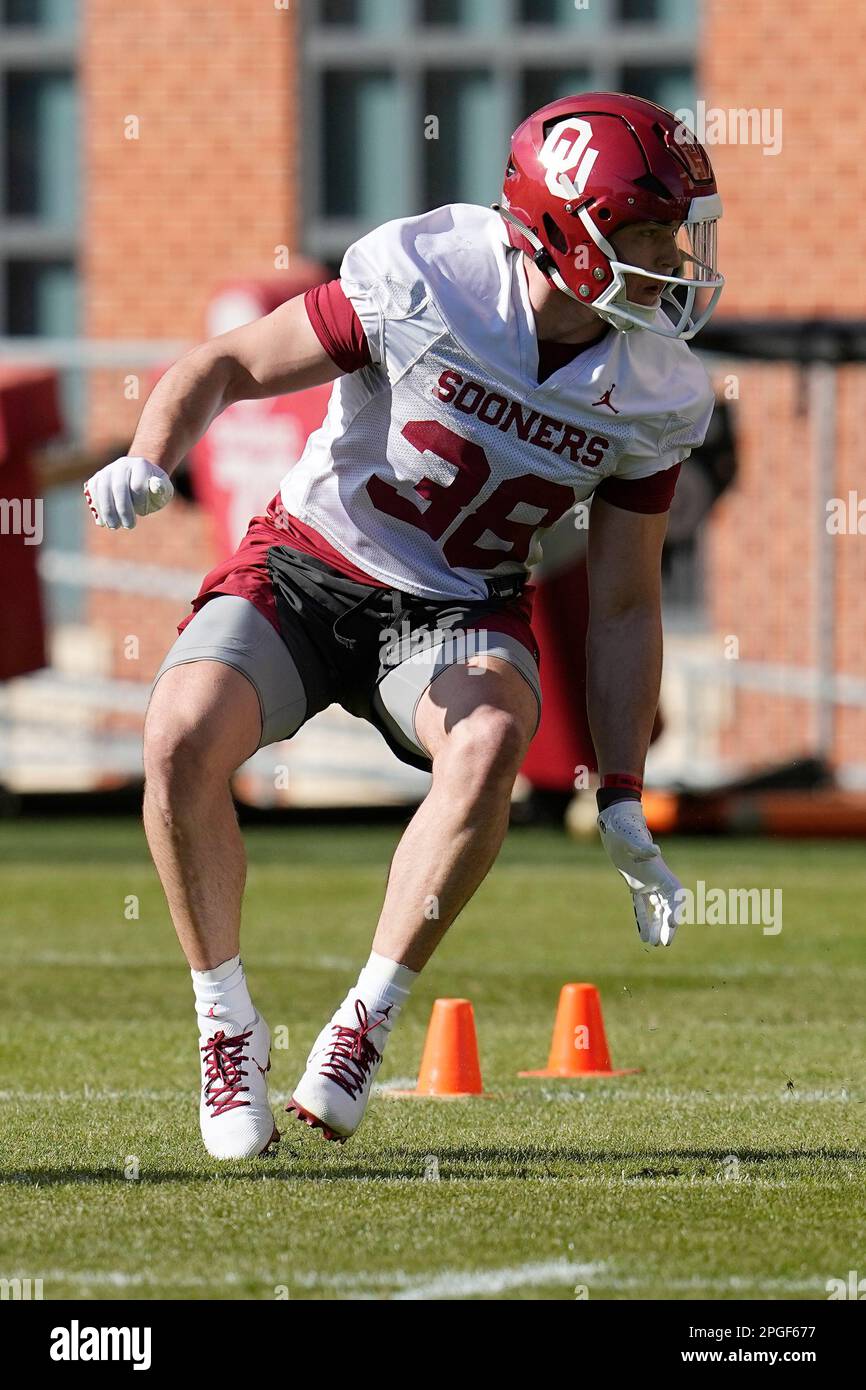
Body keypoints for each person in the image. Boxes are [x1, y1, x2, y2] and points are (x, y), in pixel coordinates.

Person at [84, 93, 724, 1156]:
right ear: (562, 228)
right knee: (177, 735)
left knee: (486, 744)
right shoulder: (430, 275)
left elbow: (622, 597)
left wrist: (618, 788)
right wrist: (152, 453)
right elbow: (233, 363)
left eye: (675, 228)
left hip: (457, 605)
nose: (670, 256)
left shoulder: (654, 386)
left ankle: (364, 1021)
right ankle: (225, 1023)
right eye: (644, 230)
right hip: (307, 562)